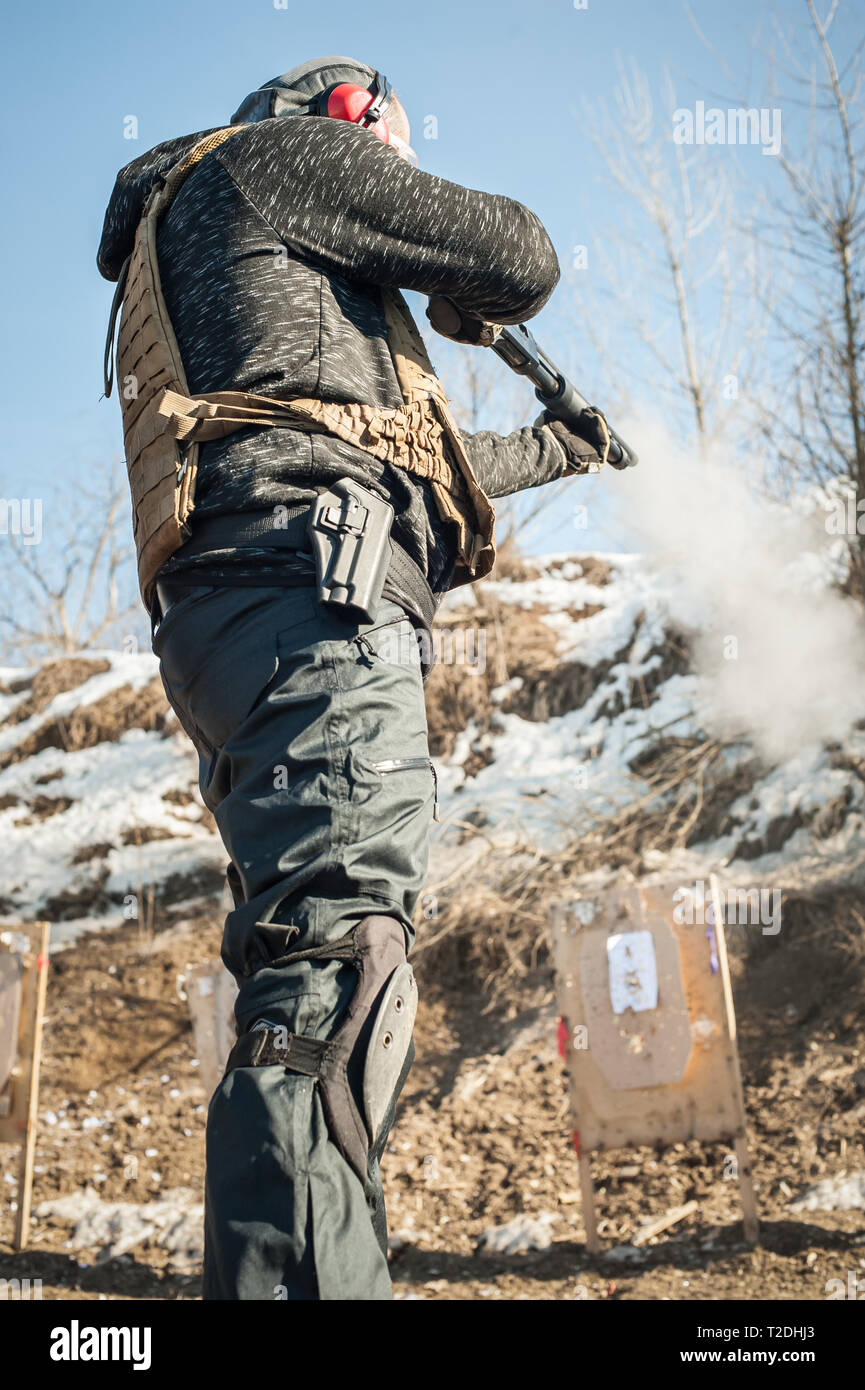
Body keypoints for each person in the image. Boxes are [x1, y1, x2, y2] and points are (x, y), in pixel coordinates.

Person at [98, 55, 606, 1301]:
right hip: (311, 606)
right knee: (336, 973)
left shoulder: (218, 241)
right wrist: (465, 280)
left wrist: (555, 446)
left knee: (311, 959)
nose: (394, 167)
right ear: (349, 121)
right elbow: (522, 250)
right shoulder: (279, 163)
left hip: (255, 614)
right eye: (392, 144)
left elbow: (380, 444)